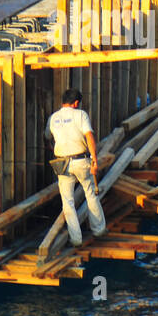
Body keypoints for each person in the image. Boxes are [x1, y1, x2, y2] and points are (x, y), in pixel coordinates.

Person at [47, 88, 106, 247]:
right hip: (81, 161)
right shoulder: (80, 115)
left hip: (62, 163)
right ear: (76, 103)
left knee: (67, 202)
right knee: (90, 193)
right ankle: (98, 229)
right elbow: (89, 137)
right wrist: (94, 160)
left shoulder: (53, 118)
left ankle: (76, 239)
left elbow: (48, 137)